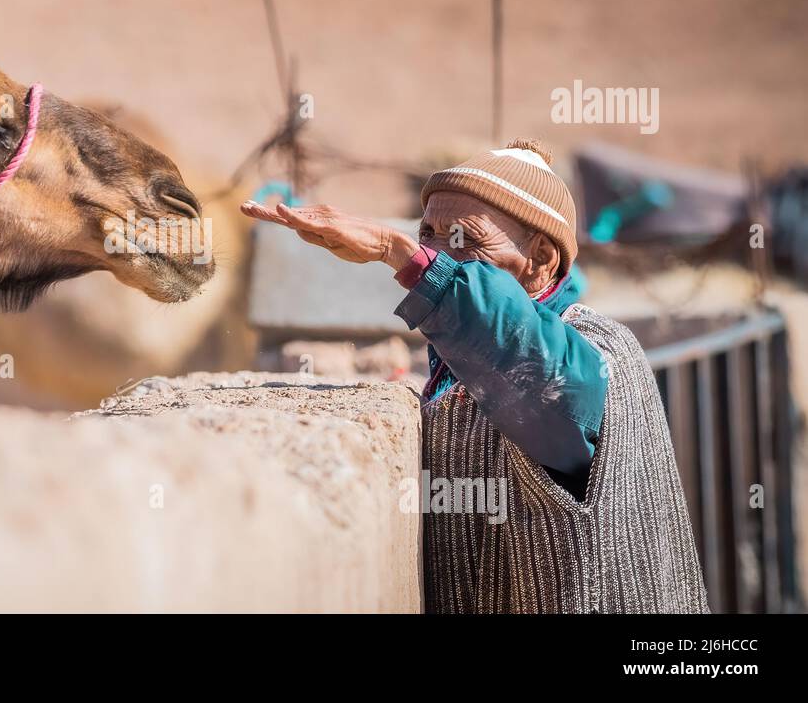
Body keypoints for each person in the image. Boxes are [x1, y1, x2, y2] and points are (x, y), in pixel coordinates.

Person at [242, 139, 708, 613]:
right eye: (428, 234)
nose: (438, 252)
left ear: (541, 258)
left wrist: (396, 251)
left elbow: (536, 370)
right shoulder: (459, 364)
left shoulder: (602, 350)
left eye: (464, 239)